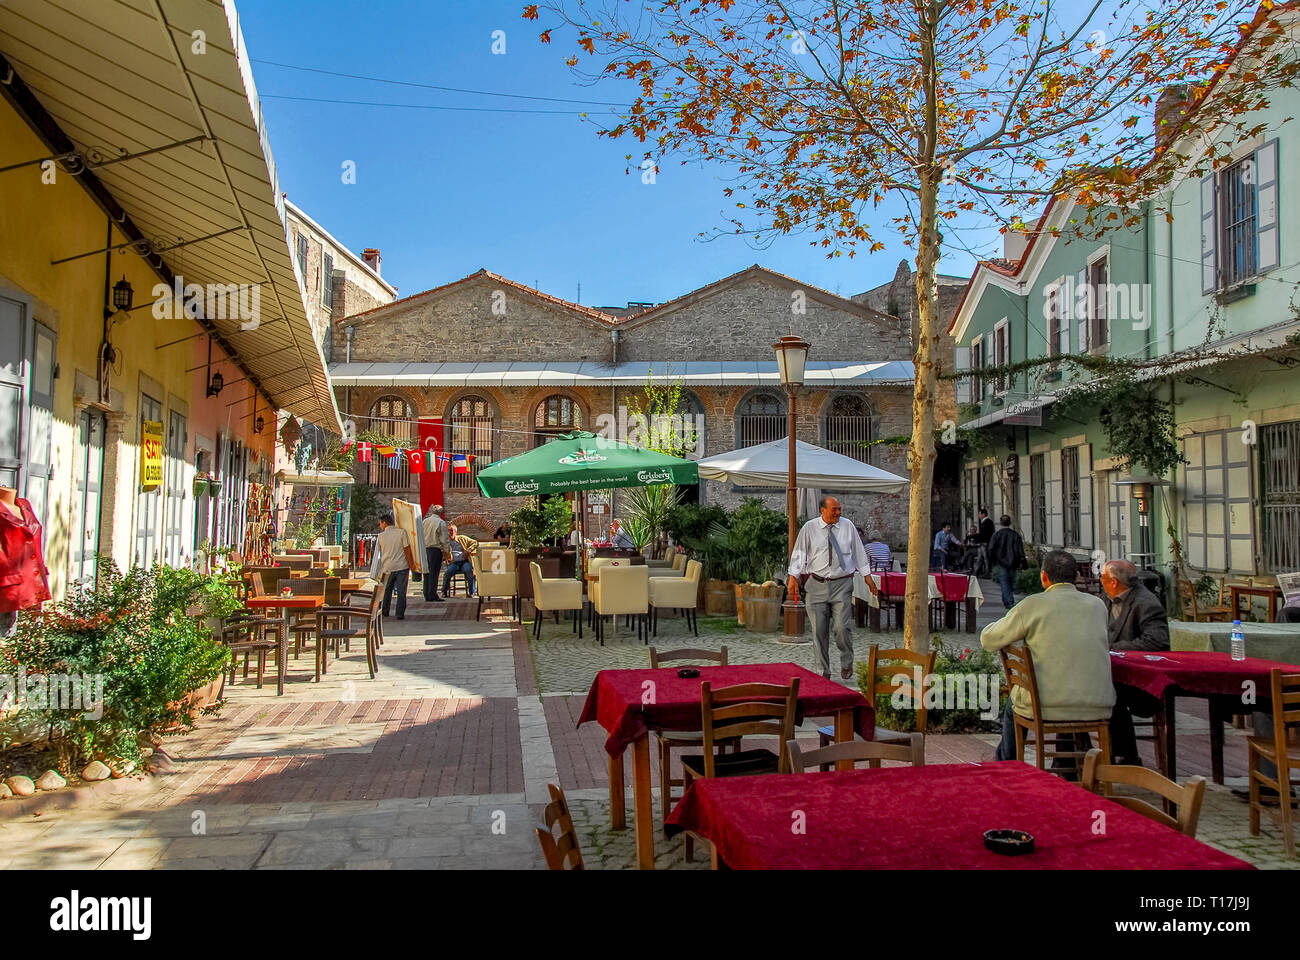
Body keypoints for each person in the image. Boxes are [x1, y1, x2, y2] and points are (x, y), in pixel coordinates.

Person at [980, 550, 1115, 765]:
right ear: (1077, 576)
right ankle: (1068, 765)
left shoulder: (1033, 605)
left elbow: (988, 639)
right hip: (1099, 703)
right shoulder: (1097, 605)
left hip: (1047, 705)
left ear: (1044, 576)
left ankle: (1006, 764)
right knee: (1069, 683)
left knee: (1013, 704)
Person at [786, 495, 871, 681]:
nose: (839, 513)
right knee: (818, 631)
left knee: (842, 627)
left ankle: (847, 661)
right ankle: (822, 672)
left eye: (840, 509)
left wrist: (867, 577)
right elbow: (799, 553)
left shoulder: (847, 526)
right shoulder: (809, 528)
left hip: (842, 583)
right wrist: (793, 576)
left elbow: (859, 551)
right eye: (834, 510)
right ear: (822, 510)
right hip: (816, 584)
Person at [1100, 559, 1170, 765]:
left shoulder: (1146, 603)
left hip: (1141, 680)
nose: (1100, 582)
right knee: (1083, 689)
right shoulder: (1107, 599)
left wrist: (1114, 650)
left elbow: (1157, 642)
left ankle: (1125, 755)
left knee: (1107, 693)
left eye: (1103, 578)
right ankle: (1082, 753)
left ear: (1113, 582)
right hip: (1113, 673)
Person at [376, 511, 415, 620]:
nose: (380, 526)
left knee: (387, 591)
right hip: (402, 566)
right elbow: (407, 550)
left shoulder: (380, 536)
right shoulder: (402, 533)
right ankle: (399, 613)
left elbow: (379, 554)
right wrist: (411, 565)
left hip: (387, 567)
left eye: (380, 523)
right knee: (402, 591)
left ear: (384, 523)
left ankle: (385, 611)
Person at [987, 515, 1027, 609]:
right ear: (1010, 523)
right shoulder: (1015, 535)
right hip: (1014, 561)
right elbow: (1020, 549)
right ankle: (1008, 600)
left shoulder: (997, 535)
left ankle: (1008, 601)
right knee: (1010, 581)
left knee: (1004, 582)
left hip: (1001, 561)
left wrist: (992, 561)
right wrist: (1022, 560)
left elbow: (991, 548)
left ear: (1001, 523)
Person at [422, 505, 452, 602]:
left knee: (426, 572)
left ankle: (426, 593)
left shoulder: (425, 521)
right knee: (434, 573)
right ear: (441, 513)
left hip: (425, 549)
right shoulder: (440, 522)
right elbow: (444, 539)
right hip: (435, 549)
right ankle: (432, 594)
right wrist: (447, 552)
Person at [442, 525, 477, 597]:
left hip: (464, 561)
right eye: (448, 531)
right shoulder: (446, 542)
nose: (450, 532)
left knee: (469, 571)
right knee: (448, 572)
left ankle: (472, 592)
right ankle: (444, 592)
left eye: (451, 530)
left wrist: (467, 551)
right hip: (454, 562)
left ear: (456, 532)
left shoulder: (462, 538)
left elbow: (475, 543)